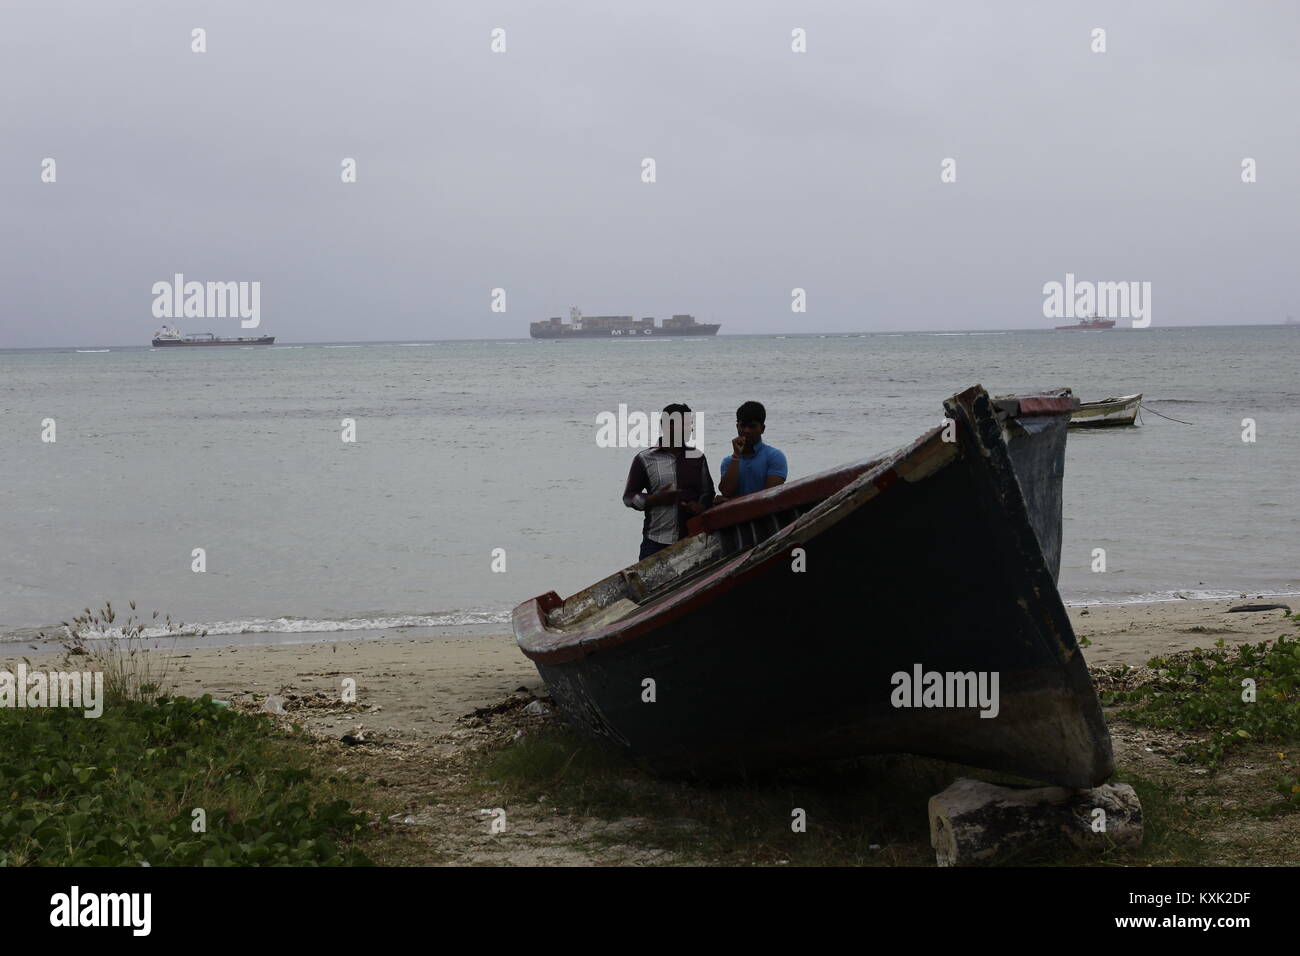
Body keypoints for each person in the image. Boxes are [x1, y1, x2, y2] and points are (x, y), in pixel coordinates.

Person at [622, 404, 715, 560]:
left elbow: (708, 492)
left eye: (690, 425)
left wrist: (700, 506)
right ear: (667, 426)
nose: (690, 430)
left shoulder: (697, 457)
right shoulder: (644, 459)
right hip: (655, 542)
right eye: (685, 425)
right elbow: (628, 497)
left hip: (692, 539)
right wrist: (653, 499)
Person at [718, 400, 787, 500]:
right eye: (743, 426)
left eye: (752, 426)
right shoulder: (729, 461)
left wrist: (731, 500)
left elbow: (770, 496)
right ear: (737, 427)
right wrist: (736, 456)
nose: (746, 431)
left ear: (762, 429)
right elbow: (726, 491)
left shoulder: (774, 456)